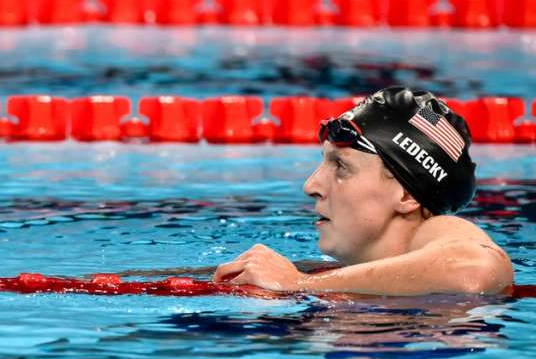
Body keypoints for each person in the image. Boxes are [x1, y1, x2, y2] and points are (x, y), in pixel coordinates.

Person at [213, 86, 514, 295]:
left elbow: (476, 269)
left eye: (342, 167)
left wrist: (296, 284)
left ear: (407, 196)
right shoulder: (361, 276)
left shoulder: (438, 231)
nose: (311, 186)